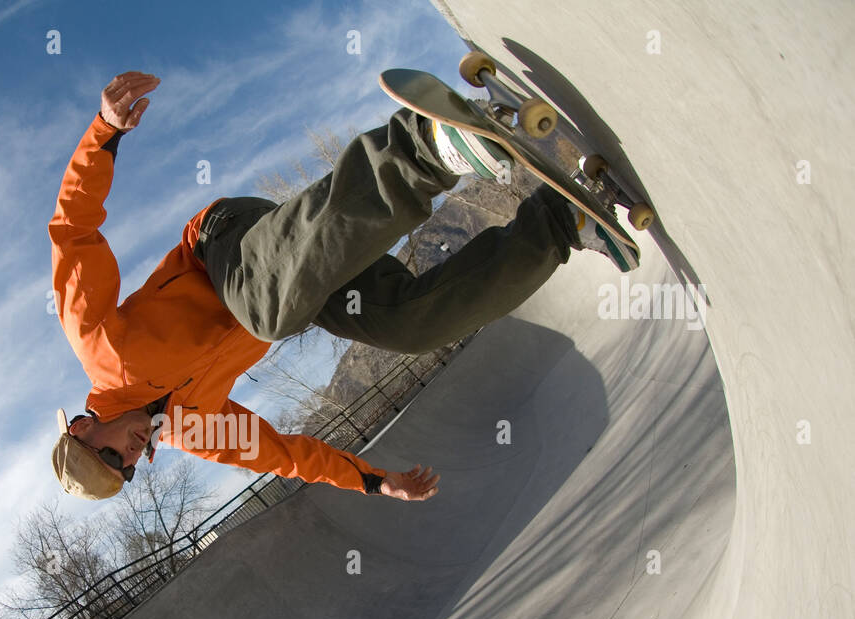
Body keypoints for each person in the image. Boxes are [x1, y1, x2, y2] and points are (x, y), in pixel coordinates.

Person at [50, 71, 631, 503]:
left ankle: (426, 147)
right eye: (125, 471)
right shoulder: (193, 430)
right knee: (408, 325)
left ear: (82, 427)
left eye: (107, 454)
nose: (127, 457)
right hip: (305, 280)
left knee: (264, 313)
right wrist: (375, 482)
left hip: (229, 243)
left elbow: (73, 233)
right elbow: (283, 455)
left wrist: (103, 132)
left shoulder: (100, 346)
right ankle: (561, 222)